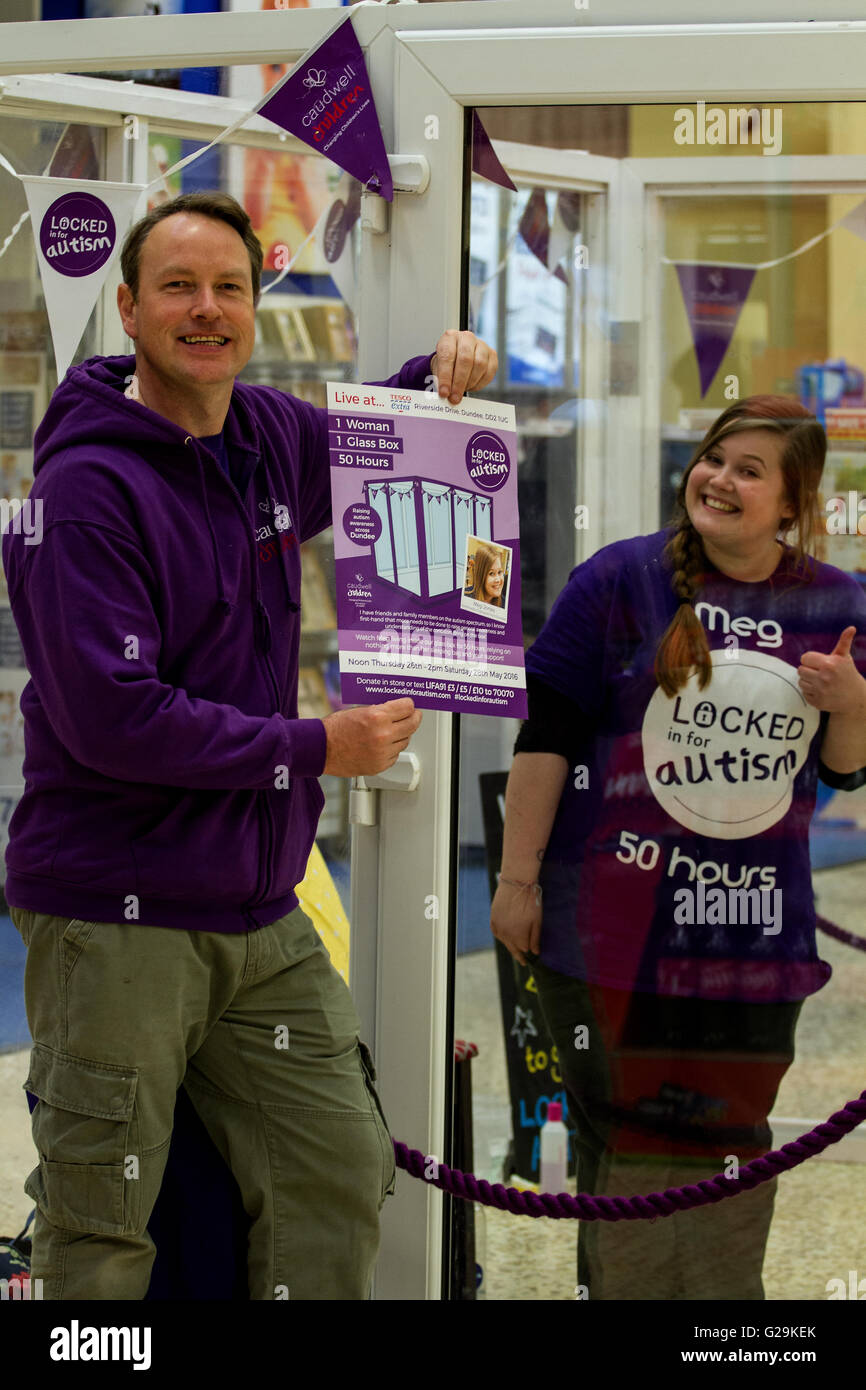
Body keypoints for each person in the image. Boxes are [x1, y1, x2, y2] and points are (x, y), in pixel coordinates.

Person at [3, 190, 497, 1301]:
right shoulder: (84, 493)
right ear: (127, 309)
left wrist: (442, 369)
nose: (207, 309)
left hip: (255, 910)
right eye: (177, 287)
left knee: (335, 1166)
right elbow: (113, 718)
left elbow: (376, 439)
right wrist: (318, 745)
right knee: (98, 1226)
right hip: (116, 914)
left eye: (230, 286)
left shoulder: (265, 434)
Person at [491, 395, 866, 1300]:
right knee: (624, 1148)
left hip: (750, 940)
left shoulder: (836, 600)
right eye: (714, 459)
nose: (720, 480)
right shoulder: (618, 580)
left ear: (792, 503)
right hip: (612, 931)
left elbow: (847, 773)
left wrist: (850, 703)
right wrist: (516, 879)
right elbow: (546, 736)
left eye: (750, 470)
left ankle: (727, 1333)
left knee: (733, 1142)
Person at [469, 539, 506, 607]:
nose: (498, 580)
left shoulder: (505, 604)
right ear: (480, 575)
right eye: (491, 573)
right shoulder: (466, 599)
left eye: (500, 572)